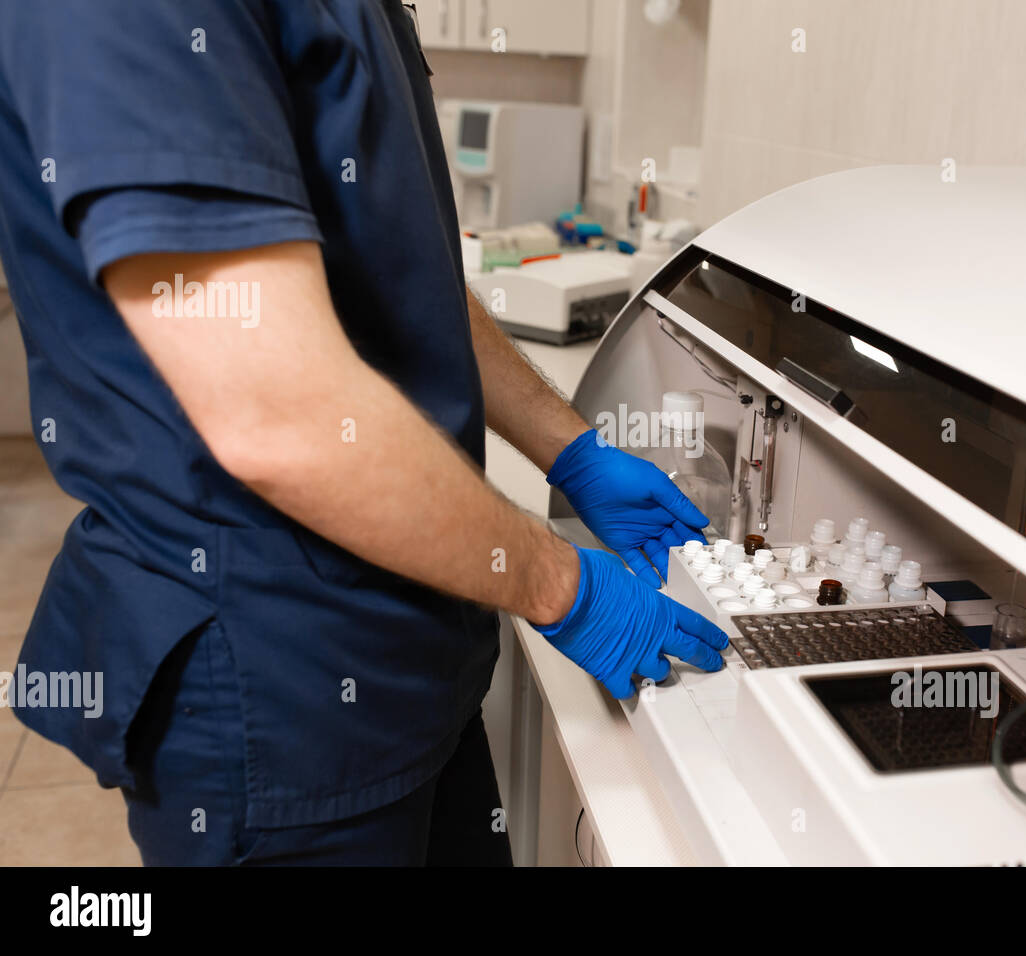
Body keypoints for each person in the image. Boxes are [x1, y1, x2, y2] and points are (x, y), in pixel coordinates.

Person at [0, 0, 727, 865]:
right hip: (277, 697)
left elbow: (398, 277)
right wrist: (558, 582)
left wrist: (573, 450)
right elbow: (274, 410)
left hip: (411, 664)